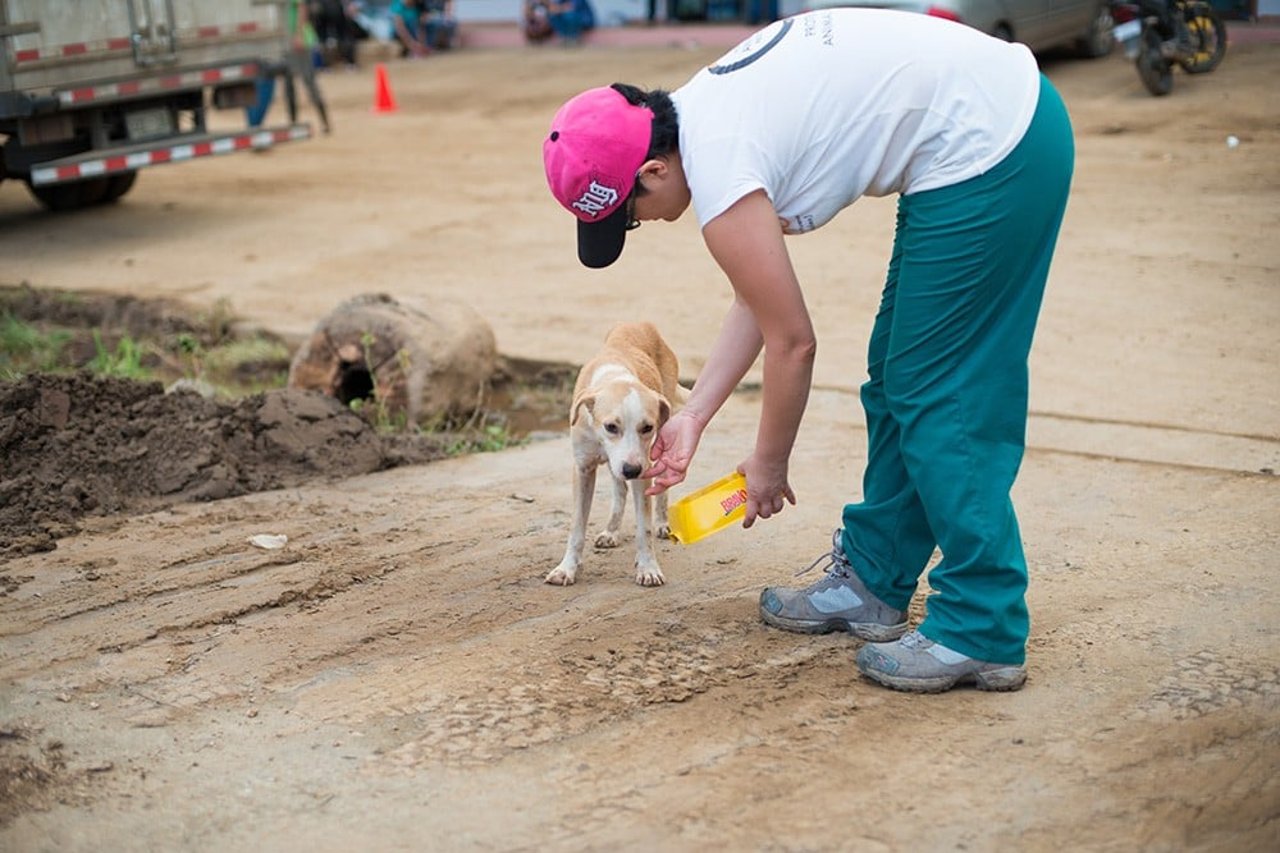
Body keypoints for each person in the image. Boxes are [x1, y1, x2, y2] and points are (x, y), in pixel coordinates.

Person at [541, 8, 1074, 693]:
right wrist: (695, 414)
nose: (641, 225)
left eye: (630, 216)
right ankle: (875, 577)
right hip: (984, 134)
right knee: (897, 376)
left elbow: (793, 343)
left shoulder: (720, 163)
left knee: (938, 389)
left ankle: (982, 623)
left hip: (995, 147)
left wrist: (767, 465)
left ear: (650, 169)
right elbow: (757, 301)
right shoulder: (703, 115)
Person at [247, 0, 331, 134]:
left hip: (298, 42)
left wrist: (299, 35)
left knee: (309, 82)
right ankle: (293, 124)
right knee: (288, 86)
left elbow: (302, 7)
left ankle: (325, 123)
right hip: (285, 43)